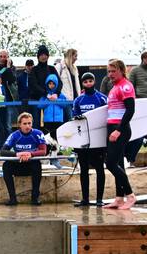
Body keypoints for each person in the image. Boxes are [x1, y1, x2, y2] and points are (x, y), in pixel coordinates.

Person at [103, 58, 137, 210]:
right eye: (109, 71)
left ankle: (130, 196)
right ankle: (119, 198)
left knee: (110, 163)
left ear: (121, 70)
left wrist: (118, 130)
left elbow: (130, 110)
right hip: (112, 127)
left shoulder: (125, 86)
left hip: (120, 129)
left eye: (113, 71)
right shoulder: (113, 87)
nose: (110, 74)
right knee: (118, 164)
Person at [71, 72, 108, 206]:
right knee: (84, 169)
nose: (88, 83)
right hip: (83, 139)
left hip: (98, 139)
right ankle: (85, 199)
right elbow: (74, 119)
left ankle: (99, 199)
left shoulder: (102, 98)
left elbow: (107, 116)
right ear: (82, 83)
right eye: (85, 82)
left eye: (90, 81)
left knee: (99, 168)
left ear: (94, 81)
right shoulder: (78, 100)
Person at [0, 112, 49, 206]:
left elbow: (43, 151)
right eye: (25, 124)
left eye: (29, 123)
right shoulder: (14, 135)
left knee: (37, 165)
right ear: (19, 125)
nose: (27, 126)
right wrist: (17, 154)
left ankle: (35, 198)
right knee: (6, 165)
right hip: (18, 163)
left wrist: (30, 154)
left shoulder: (38, 133)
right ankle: (12, 199)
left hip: (31, 164)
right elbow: (3, 152)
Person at [29, 45, 54, 130]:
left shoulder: (52, 69)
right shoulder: (34, 69)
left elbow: (59, 83)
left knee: (50, 122)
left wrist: (56, 94)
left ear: (48, 56)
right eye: (41, 55)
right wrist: (46, 93)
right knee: (36, 122)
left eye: (45, 54)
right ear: (38, 57)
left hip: (50, 100)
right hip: (36, 100)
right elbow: (34, 84)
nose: (43, 57)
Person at [40, 73, 67, 145]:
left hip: (58, 120)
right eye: (50, 83)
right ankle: (49, 149)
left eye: (53, 84)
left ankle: (59, 150)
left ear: (56, 84)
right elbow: (40, 105)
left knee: (58, 136)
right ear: (47, 84)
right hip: (47, 120)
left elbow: (65, 105)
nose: (51, 85)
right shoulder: (45, 95)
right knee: (48, 137)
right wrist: (48, 99)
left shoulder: (61, 95)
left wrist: (56, 99)